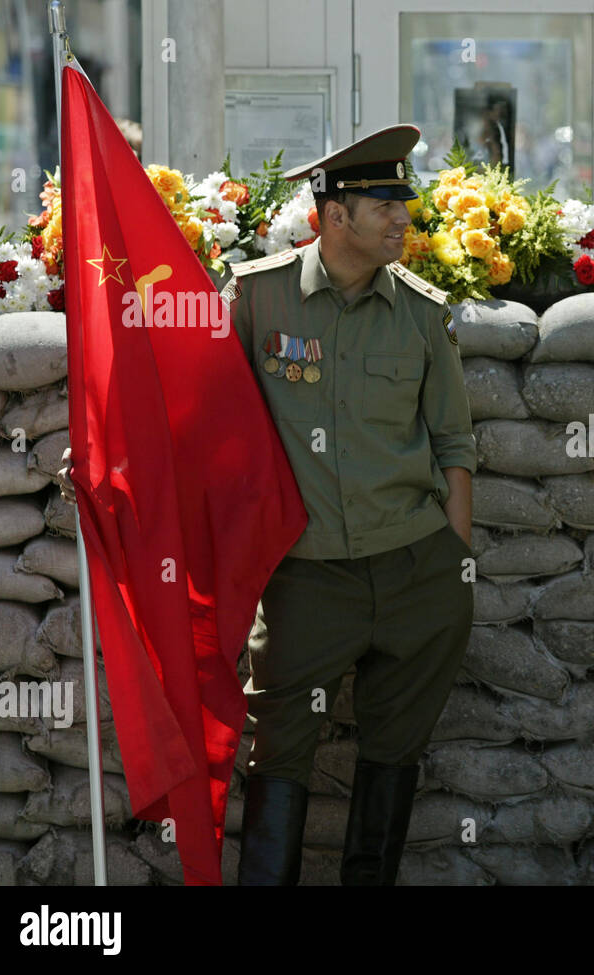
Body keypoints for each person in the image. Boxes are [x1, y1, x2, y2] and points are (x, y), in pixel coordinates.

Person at [219, 125, 476, 885]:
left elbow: (454, 447)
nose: (404, 217)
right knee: (279, 751)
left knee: (394, 751)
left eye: (405, 200)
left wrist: (453, 565)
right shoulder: (258, 297)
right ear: (334, 215)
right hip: (305, 580)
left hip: (415, 575)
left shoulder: (425, 315)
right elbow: (205, 420)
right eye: (385, 203)